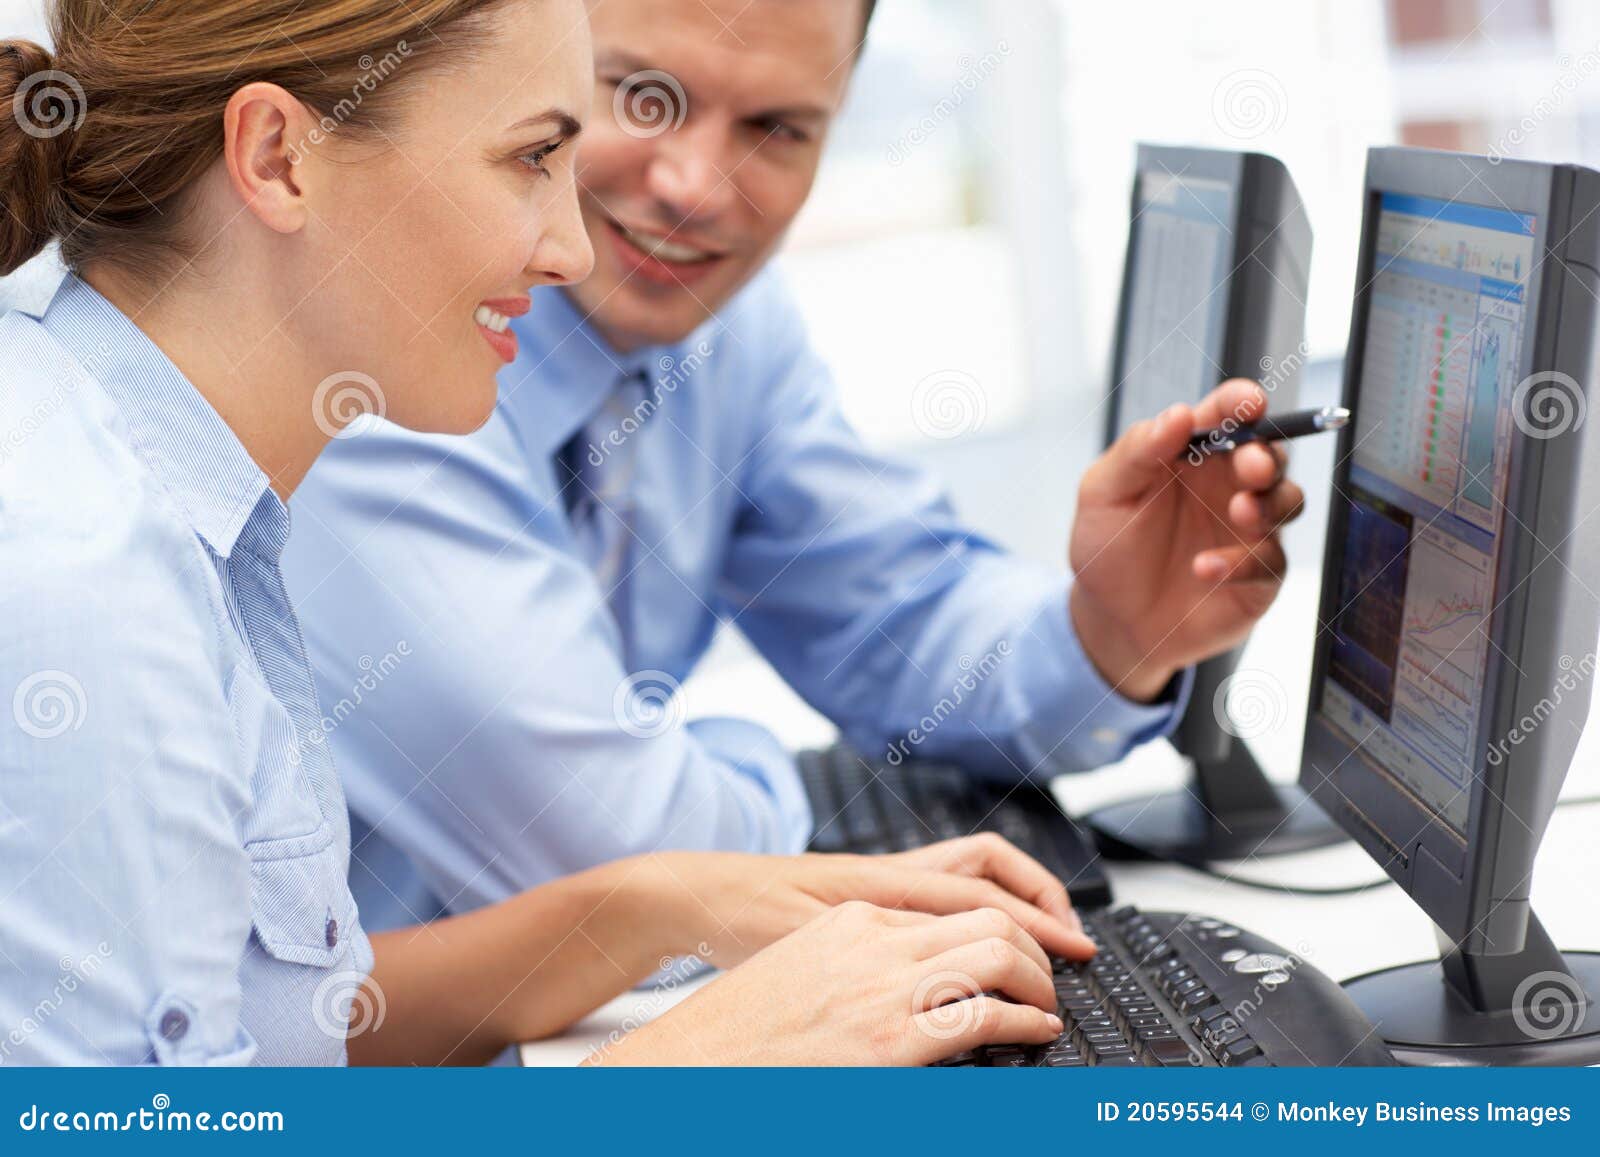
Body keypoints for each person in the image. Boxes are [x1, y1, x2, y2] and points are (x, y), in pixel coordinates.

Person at [0, 0, 1102, 1068]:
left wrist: (644, 905)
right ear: (281, 156)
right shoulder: (81, 574)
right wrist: (680, 1071)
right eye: (531, 158)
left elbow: (277, 1030)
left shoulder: (173, 486)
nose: (573, 250)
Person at [282, 0, 1307, 931]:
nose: (693, 189)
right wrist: (783, 778)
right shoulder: (381, 347)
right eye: (645, 97)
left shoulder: (722, 330)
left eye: (776, 129)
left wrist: (1108, 632)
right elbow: (620, 861)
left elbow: (897, 611)